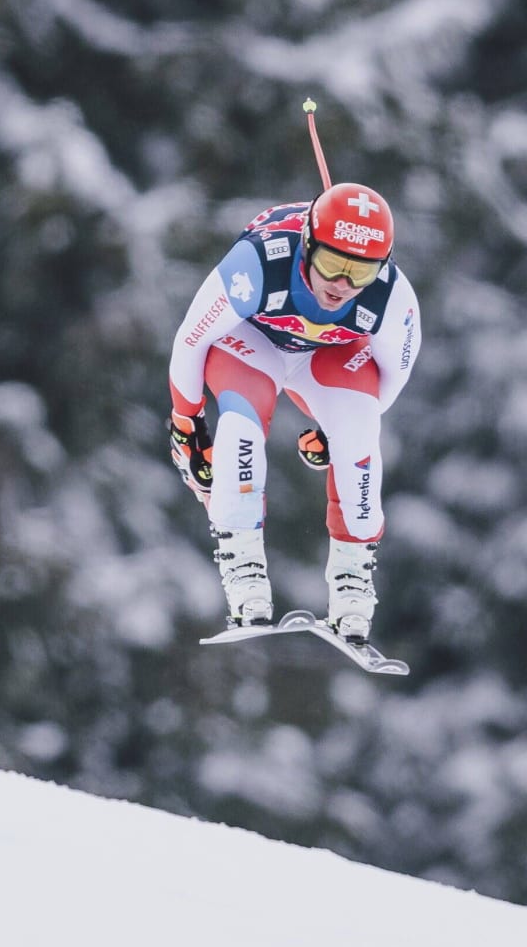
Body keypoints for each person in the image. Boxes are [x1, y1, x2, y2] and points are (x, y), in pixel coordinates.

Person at [166, 105, 421, 640]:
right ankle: (245, 581)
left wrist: (332, 426)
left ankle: (353, 589)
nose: (341, 285)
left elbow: (390, 382)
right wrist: (187, 424)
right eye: (331, 265)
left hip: (328, 357)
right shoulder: (260, 262)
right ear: (308, 244)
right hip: (254, 342)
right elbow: (192, 339)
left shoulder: (391, 298)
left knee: (359, 438)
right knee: (239, 432)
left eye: (361, 272)